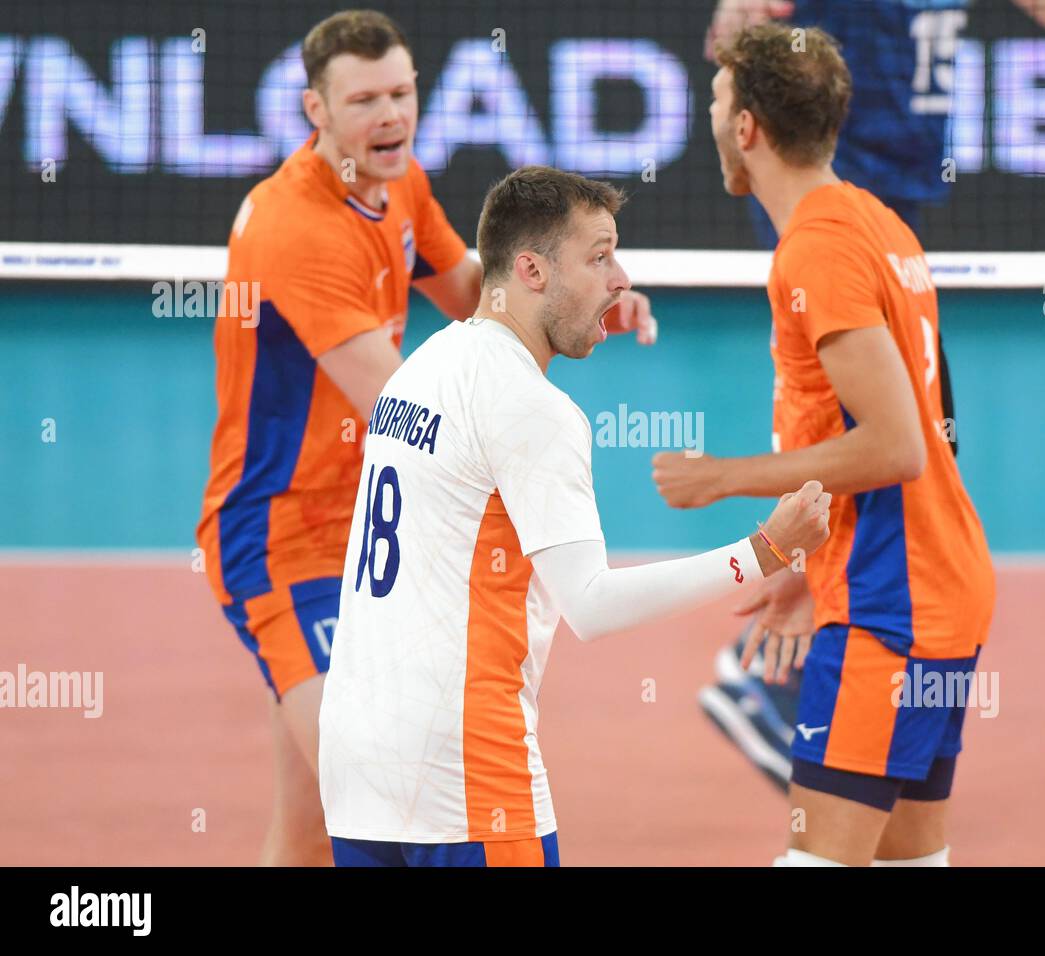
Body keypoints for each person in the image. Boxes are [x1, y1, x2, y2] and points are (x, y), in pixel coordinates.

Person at [696, 0, 1045, 793]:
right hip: (834, 196)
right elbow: (734, 40)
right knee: (890, 437)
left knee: (924, 440)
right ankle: (782, 674)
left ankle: (812, 664)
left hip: (894, 207)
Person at [195, 9, 653, 866]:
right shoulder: (296, 226)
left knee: (308, 828)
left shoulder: (396, 181)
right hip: (285, 540)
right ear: (315, 112)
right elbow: (405, 401)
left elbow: (475, 288)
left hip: (366, 521)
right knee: (371, 798)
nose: (391, 116)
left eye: (402, 92)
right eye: (364, 99)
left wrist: (584, 293)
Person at [317, 165, 832, 867]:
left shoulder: (420, 367)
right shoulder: (535, 409)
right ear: (531, 270)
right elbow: (590, 605)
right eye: (598, 258)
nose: (619, 278)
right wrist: (764, 551)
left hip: (357, 766)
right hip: (464, 772)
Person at [654, 24, 994, 866]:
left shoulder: (818, 250)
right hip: (935, 590)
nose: (711, 118)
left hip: (893, 606)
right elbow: (930, 414)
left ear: (746, 128)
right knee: (910, 859)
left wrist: (728, 478)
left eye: (716, 101)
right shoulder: (876, 224)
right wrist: (808, 567)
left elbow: (898, 446)